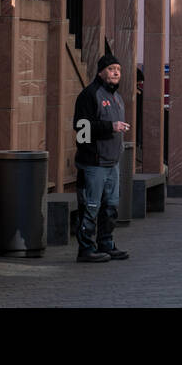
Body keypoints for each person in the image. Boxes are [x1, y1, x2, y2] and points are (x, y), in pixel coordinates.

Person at [72, 51, 132, 262]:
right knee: (91, 207)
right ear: (100, 72)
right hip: (94, 164)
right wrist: (110, 126)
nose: (116, 73)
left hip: (112, 163)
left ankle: (106, 243)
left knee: (111, 207)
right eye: (111, 69)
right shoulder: (89, 95)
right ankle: (86, 249)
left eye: (118, 70)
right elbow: (81, 130)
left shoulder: (117, 97)